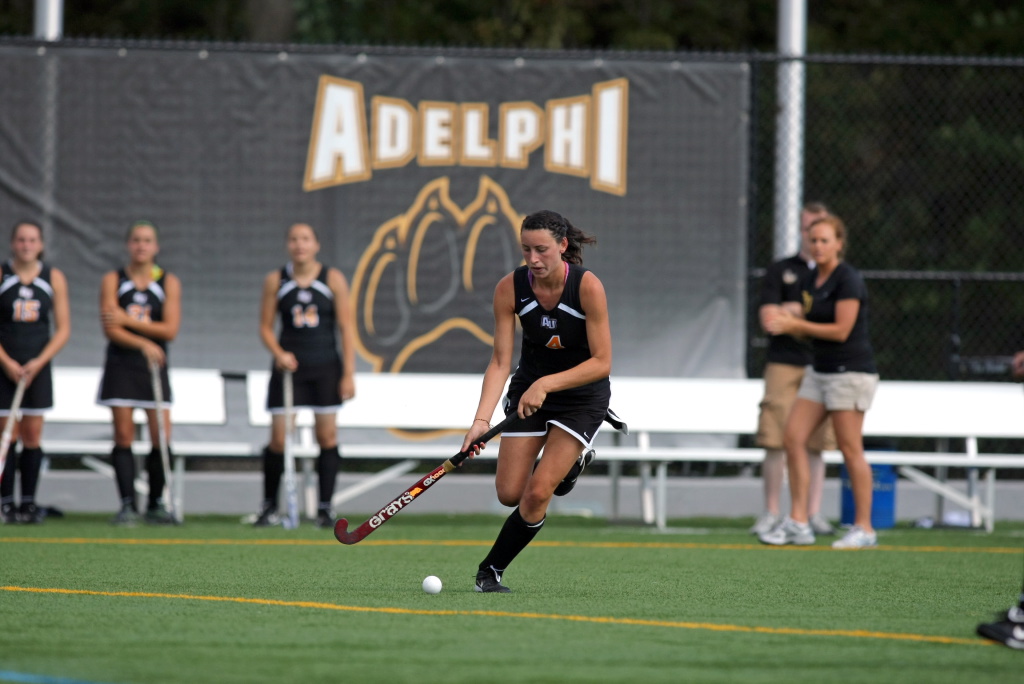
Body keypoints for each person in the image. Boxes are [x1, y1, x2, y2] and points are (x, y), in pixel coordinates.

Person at [460, 209, 613, 593]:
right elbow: (500, 362)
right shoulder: (510, 288)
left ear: (562, 246)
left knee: (538, 492)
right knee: (509, 493)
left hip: (580, 398)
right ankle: (570, 464)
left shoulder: (587, 287)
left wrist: (547, 384)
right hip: (529, 393)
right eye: (526, 249)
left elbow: (602, 362)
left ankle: (490, 570)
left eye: (541, 249)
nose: (533, 258)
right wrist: (480, 422)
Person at [759, 213, 880, 549]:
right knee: (793, 438)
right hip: (820, 371)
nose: (818, 246)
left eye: (825, 240)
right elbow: (808, 322)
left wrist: (795, 325)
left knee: (850, 448)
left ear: (839, 244)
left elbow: (841, 330)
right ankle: (799, 522)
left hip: (849, 373)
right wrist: (784, 319)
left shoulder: (848, 279)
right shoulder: (811, 279)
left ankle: (865, 528)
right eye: (813, 240)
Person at [253, 223, 356, 529]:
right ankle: (269, 506)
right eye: (294, 239)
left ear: (316, 245)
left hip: (325, 367)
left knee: (327, 437)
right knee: (279, 438)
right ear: (288, 244)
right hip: (289, 370)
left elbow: (346, 328)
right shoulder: (276, 280)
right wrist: (279, 353)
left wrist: (348, 373)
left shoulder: (332, 279)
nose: (300, 245)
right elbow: (265, 327)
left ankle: (324, 508)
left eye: (306, 239)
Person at [751, 202, 837, 537]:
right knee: (775, 439)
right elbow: (770, 320)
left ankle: (812, 514)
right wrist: (807, 316)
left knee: (816, 444)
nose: (814, 237)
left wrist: (793, 314)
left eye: (820, 229)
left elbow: (840, 322)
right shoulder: (781, 269)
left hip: (822, 364)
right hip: (783, 364)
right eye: (807, 229)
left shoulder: (836, 275)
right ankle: (772, 513)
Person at [98, 220, 181, 526]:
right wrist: (143, 341)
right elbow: (111, 326)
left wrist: (129, 321)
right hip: (122, 363)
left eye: (147, 240)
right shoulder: (114, 280)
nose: (141, 246)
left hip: (154, 366)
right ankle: (127, 503)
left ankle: (156, 503)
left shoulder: (167, 282)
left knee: (161, 434)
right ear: (128, 245)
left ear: (156, 247)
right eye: (136, 240)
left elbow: (169, 329)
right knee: (123, 434)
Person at [0, 220, 71, 524]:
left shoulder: (53, 277)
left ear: (40, 245)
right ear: (13, 243)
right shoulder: (3, 274)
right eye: (21, 240)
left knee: (32, 433)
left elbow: (63, 328)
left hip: (36, 367)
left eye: (32, 240)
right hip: (6, 366)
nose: (26, 245)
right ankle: (6, 503)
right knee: (6, 433)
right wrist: (6, 362)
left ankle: (28, 503)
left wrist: (39, 362)